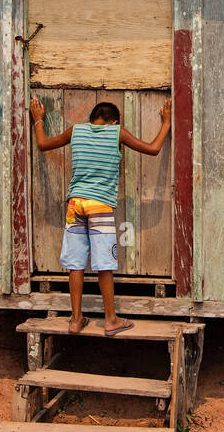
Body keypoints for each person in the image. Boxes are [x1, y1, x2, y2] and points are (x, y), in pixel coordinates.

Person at [30, 96, 171, 336]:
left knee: (76, 265)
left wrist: (38, 120)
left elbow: (43, 144)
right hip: (100, 206)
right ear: (114, 122)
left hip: (75, 204)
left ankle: (75, 320)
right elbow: (153, 149)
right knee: (104, 265)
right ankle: (111, 320)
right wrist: (166, 123)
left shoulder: (76, 130)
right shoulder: (117, 132)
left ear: (91, 120)